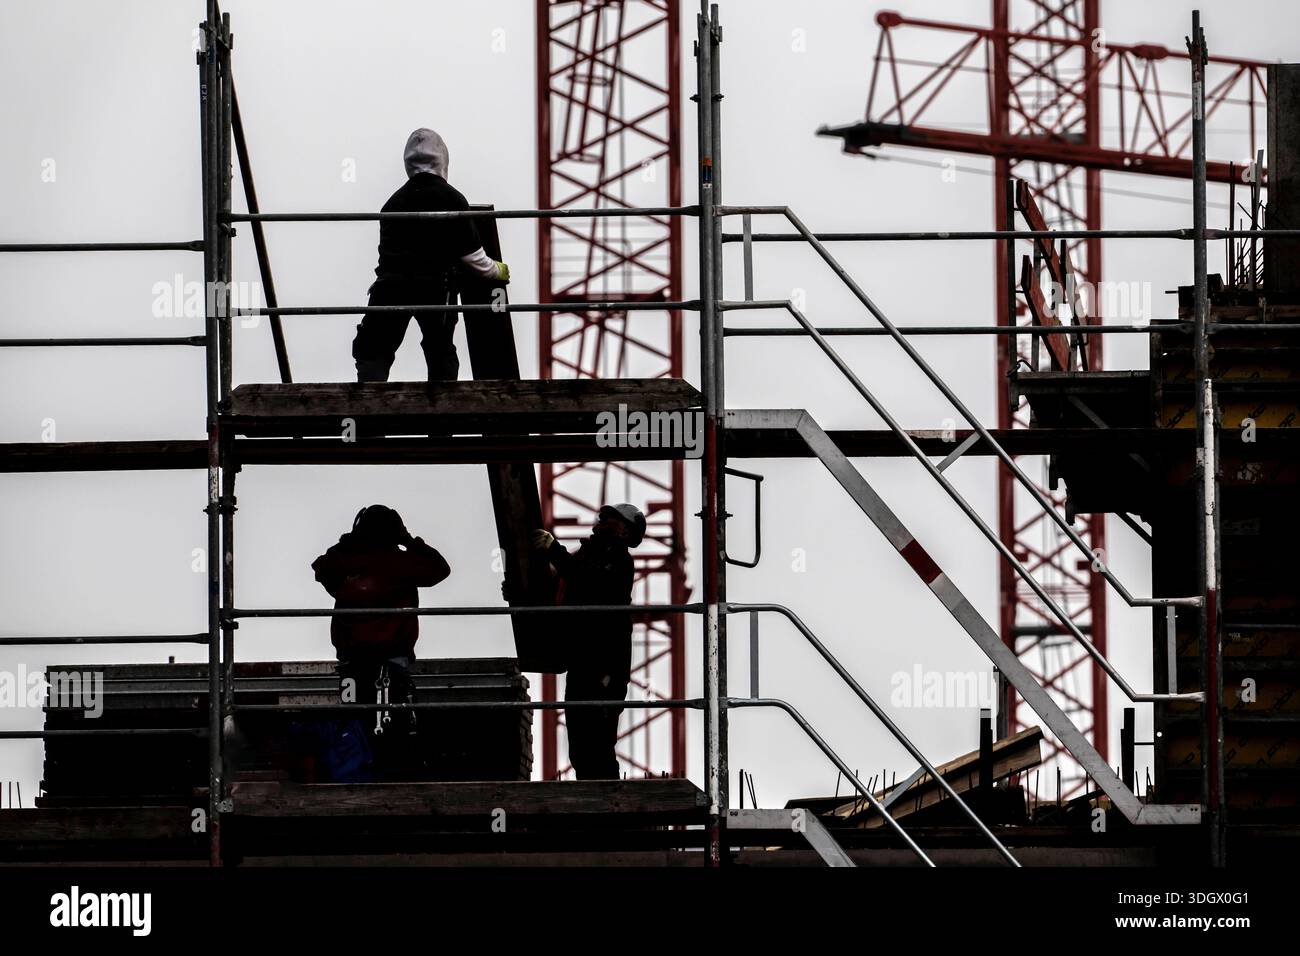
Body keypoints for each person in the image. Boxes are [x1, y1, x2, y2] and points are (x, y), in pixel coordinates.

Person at [352, 128, 510, 382]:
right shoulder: (452, 199)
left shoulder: (393, 203)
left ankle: (367, 399)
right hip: (435, 287)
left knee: (374, 348)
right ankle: (441, 401)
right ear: (442, 160)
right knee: (440, 348)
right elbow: (474, 259)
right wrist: (498, 270)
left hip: (391, 286)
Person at [311, 505, 451, 779]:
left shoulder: (345, 562)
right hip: (392, 661)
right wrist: (409, 540)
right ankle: (392, 777)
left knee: (353, 725)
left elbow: (321, 567)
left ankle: (357, 779)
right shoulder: (402, 563)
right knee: (395, 726)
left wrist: (348, 541)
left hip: (352, 662)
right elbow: (439, 568)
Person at [532, 504, 645, 780]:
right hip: (583, 662)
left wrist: (554, 550)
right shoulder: (589, 555)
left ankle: (607, 800)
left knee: (598, 742)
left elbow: (587, 581)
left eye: (612, 517)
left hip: (605, 666)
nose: (603, 518)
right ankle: (594, 797)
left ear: (625, 531)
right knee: (581, 743)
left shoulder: (618, 560)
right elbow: (564, 584)